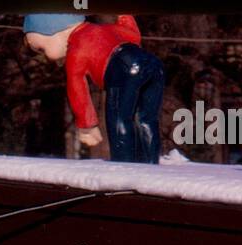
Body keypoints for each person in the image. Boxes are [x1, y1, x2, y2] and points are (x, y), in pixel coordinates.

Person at [23, 13, 164, 163]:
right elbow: (134, 35)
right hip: (154, 65)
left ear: (54, 32)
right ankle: (150, 163)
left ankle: (125, 165)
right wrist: (124, 14)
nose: (45, 56)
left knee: (119, 119)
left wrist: (87, 125)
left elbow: (77, 89)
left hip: (123, 69)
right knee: (146, 119)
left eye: (42, 48)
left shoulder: (76, 49)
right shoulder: (106, 29)